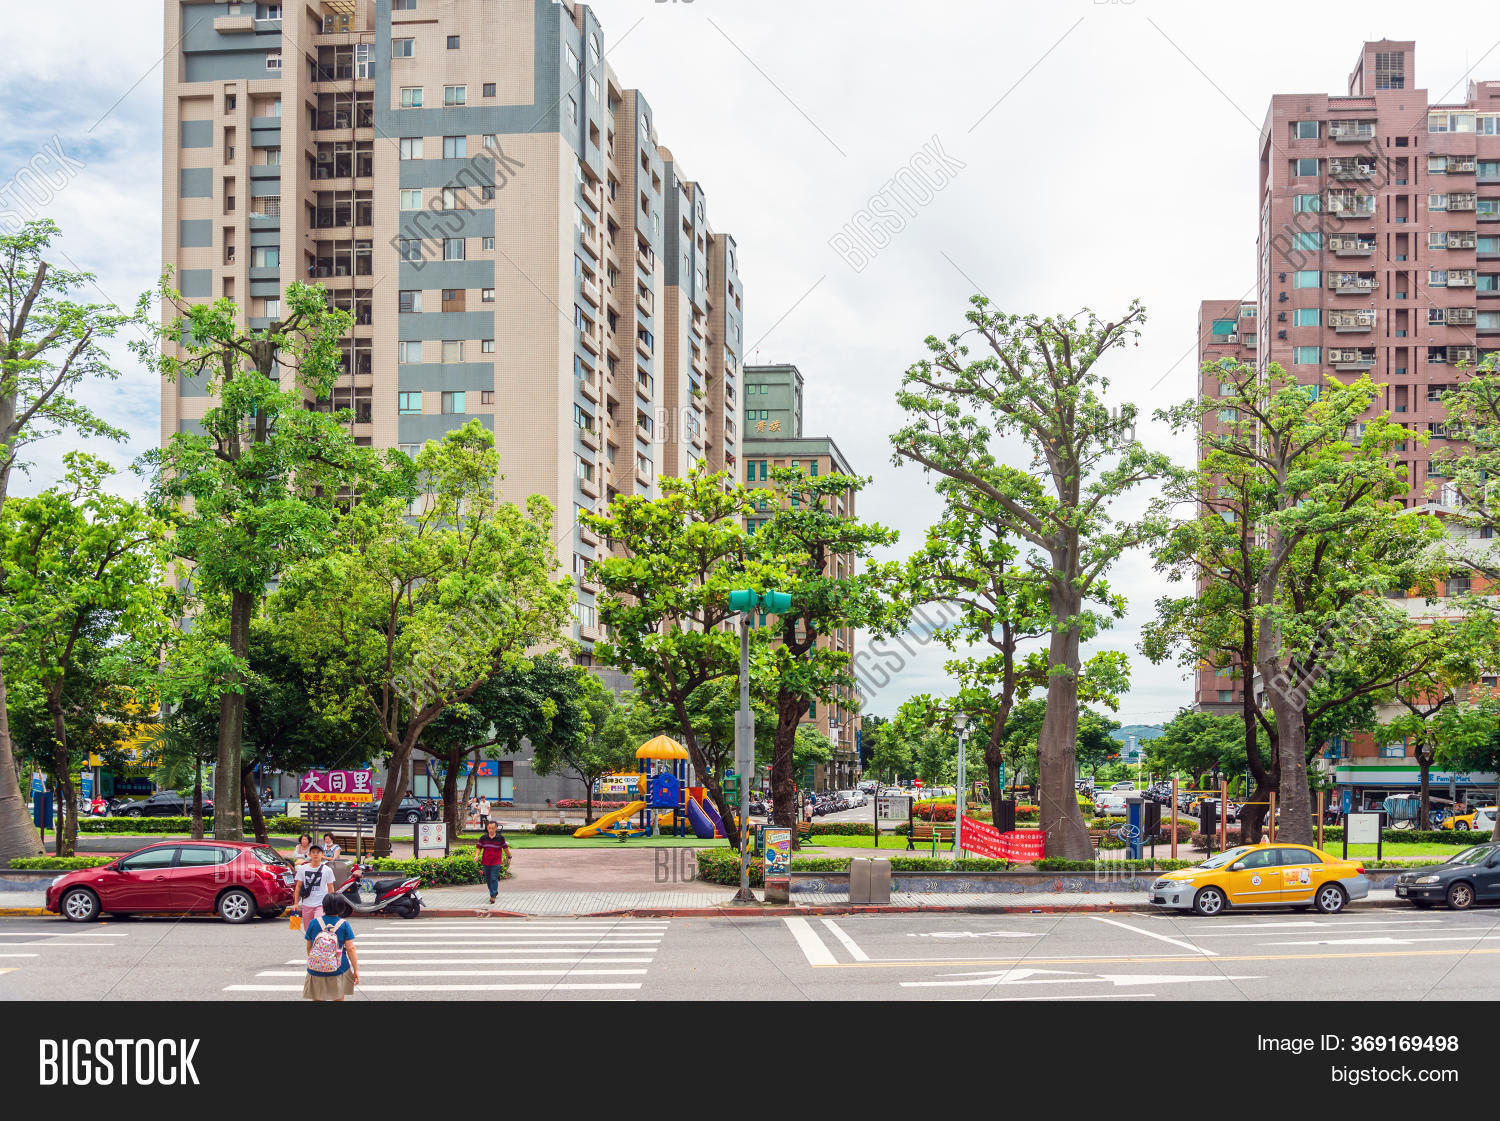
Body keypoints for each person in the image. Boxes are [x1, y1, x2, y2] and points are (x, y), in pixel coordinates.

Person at [302, 891, 358, 1002]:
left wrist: (318, 961)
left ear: (324, 906)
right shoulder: (344, 924)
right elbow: (350, 949)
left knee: (317, 999)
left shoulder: (313, 923)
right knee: (338, 998)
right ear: (342, 907)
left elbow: (309, 947)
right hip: (339, 968)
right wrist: (355, 970)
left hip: (316, 970)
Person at [293, 845, 339, 925]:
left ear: (322, 854)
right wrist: (296, 903)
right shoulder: (302, 869)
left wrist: (330, 904)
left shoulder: (327, 870)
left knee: (318, 925)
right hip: (306, 904)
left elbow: (330, 888)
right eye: (313, 852)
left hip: (321, 904)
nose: (315, 854)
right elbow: (298, 886)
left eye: (318, 852)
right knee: (308, 930)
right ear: (309, 854)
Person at [476, 820, 510, 906]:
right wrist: (476, 855)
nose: (491, 830)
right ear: (487, 828)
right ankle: (494, 891)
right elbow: (479, 847)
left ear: (496, 828)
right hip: (486, 861)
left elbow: (505, 848)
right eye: (489, 828)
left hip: (496, 861)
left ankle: (493, 895)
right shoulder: (483, 838)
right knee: (488, 879)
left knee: (493, 878)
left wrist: (509, 856)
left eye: (493, 828)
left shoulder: (500, 838)